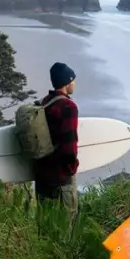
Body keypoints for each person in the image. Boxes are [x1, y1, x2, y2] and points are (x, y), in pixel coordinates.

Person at [32, 62, 79, 222]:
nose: (74, 83)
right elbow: (69, 142)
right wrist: (71, 168)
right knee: (66, 223)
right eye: (73, 80)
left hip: (42, 172)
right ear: (66, 82)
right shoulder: (68, 106)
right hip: (60, 175)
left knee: (45, 222)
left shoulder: (45, 102)